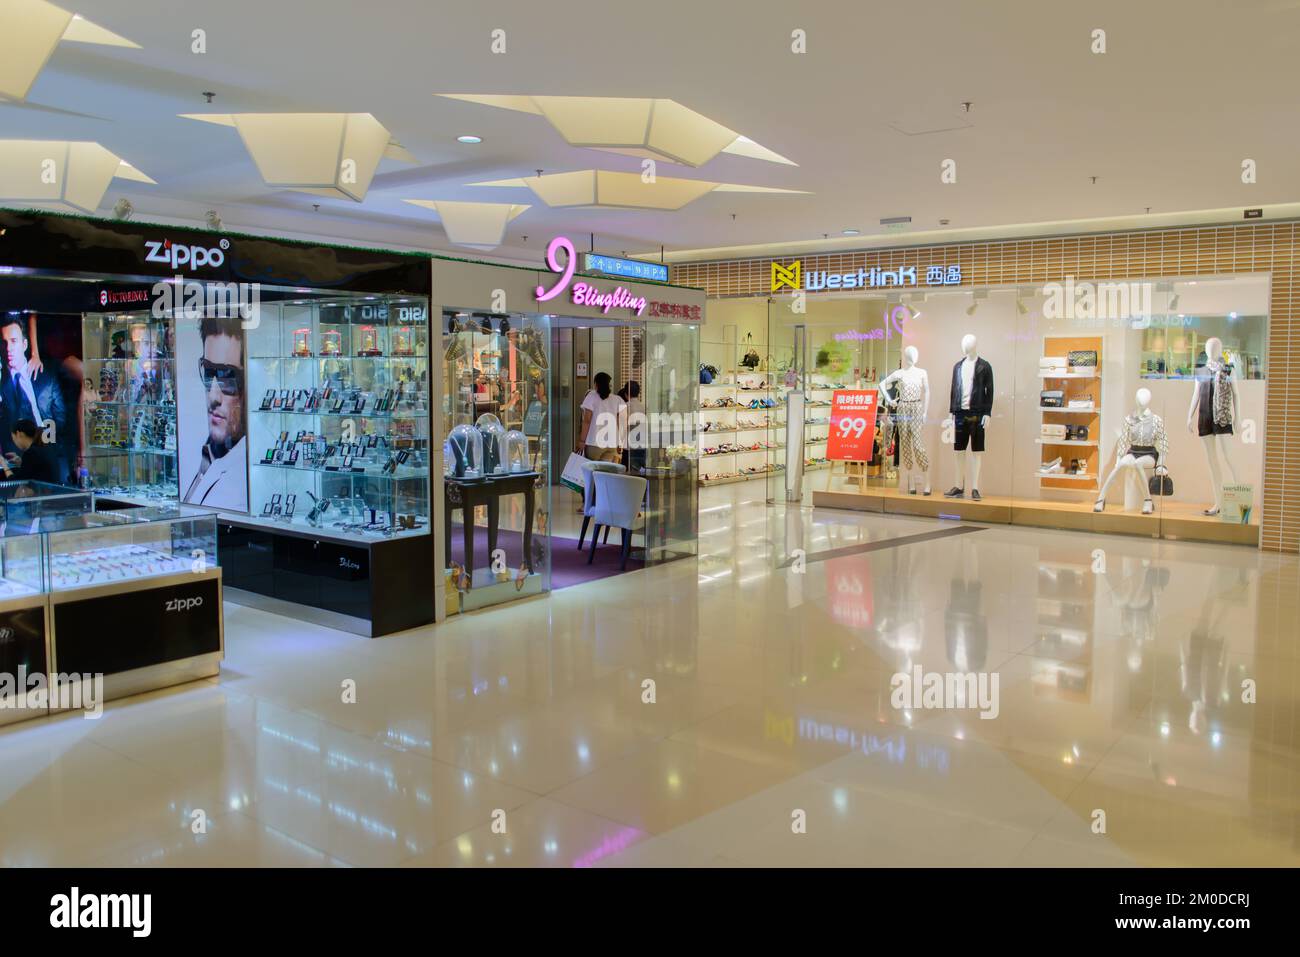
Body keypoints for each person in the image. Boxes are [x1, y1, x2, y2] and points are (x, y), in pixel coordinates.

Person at [182, 315, 247, 509]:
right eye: (209, 373)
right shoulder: (202, 453)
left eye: (228, 377)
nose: (213, 396)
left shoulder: (249, 475)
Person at [0, 315, 68, 481]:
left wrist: (43, 448)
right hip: (16, 462)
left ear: (24, 344)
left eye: (14, 341)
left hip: (48, 455)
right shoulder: (3, 383)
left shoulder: (45, 377)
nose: (9, 348)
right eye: (4, 342)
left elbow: (61, 420)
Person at [576, 371, 625, 463]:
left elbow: (587, 420)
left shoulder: (591, 397)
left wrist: (582, 441)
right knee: (605, 474)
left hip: (594, 443)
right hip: (611, 444)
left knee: (591, 473)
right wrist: (620, 442)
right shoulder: (617, 399)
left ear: (596, 384)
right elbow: (620, 423)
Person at [3, 419, 62, 484]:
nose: (14, 442)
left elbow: (17, 481)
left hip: (43, 492)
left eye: (13, 438)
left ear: (19, 434)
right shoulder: (45, 448)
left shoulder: (30, 453)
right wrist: (21, 463)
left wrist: (4, 464)